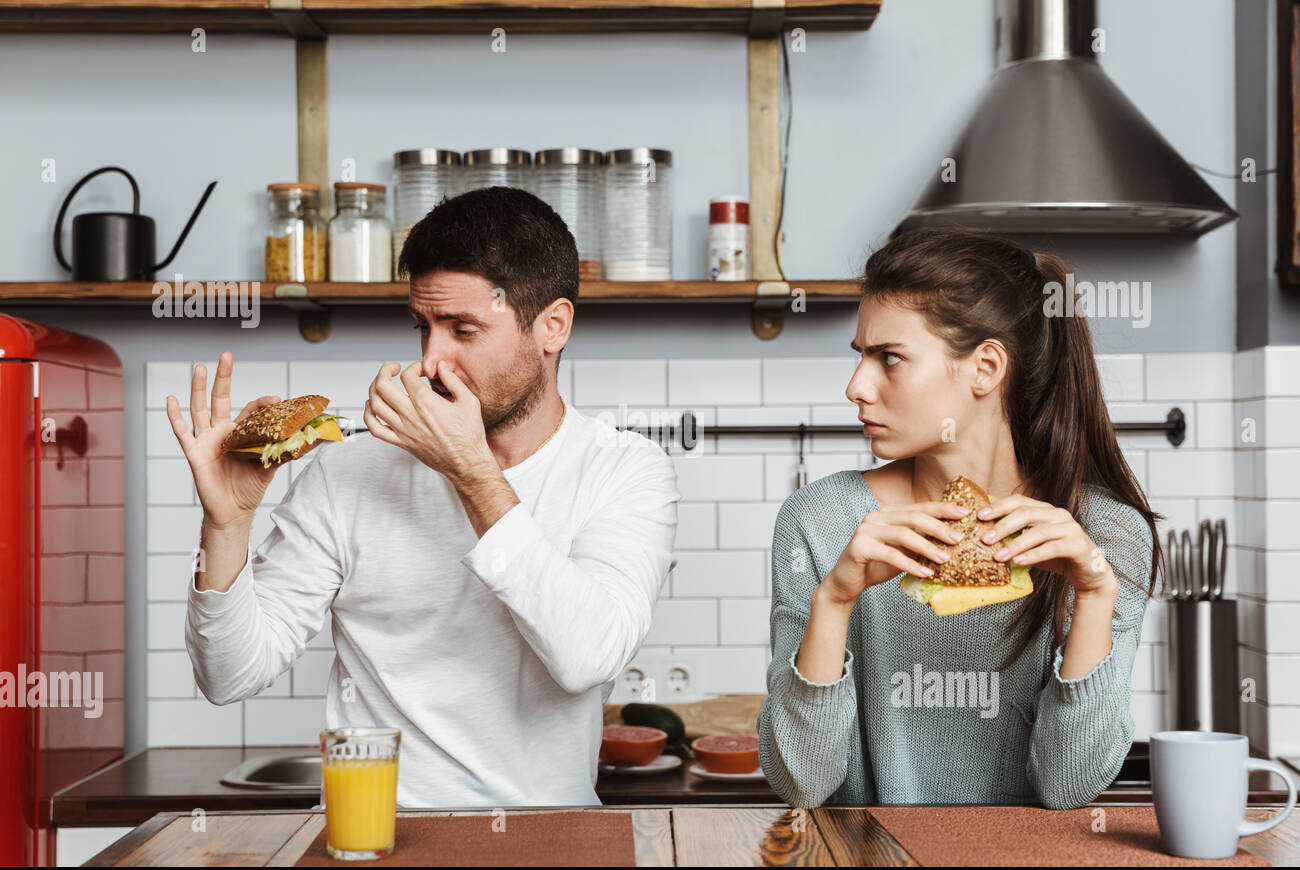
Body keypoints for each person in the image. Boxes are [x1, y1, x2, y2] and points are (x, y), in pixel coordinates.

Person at [167, 187, 680, 808]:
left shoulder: (625, 471)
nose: (433, 359)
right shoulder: (346, 473)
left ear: (552, 326)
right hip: (375, 837)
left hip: (548, 836)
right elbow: (229, 677)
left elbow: (587, 656)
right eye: (424, 327)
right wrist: (227, 525)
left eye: (463, 329)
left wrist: (469, 471)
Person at [757, 227, 1162, 811]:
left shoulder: (1106, 538)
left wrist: (1094, 594)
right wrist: (835, 600)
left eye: (889, 358)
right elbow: (800, 785)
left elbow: (1067, 788)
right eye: (860, 357)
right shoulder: (820, 521)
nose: (855, 387)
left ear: (985, 367)